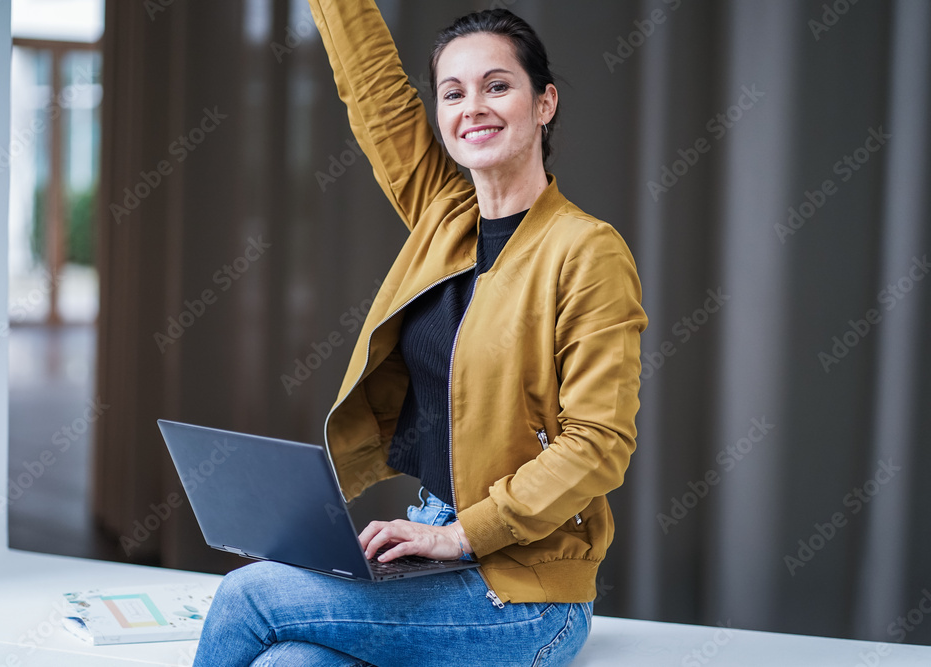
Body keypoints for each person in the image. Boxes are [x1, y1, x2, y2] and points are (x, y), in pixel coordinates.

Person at [193, 0, 646, 664]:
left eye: (498, 86)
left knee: (247, 598)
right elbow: (372, 88)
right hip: (430, 534)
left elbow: (600, 445)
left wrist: (464, 533)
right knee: (287, 662)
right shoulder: (445, 214)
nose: (474, 107)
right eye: (453, 92)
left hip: (527, 591)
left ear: (543, 103)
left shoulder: (588, 252)